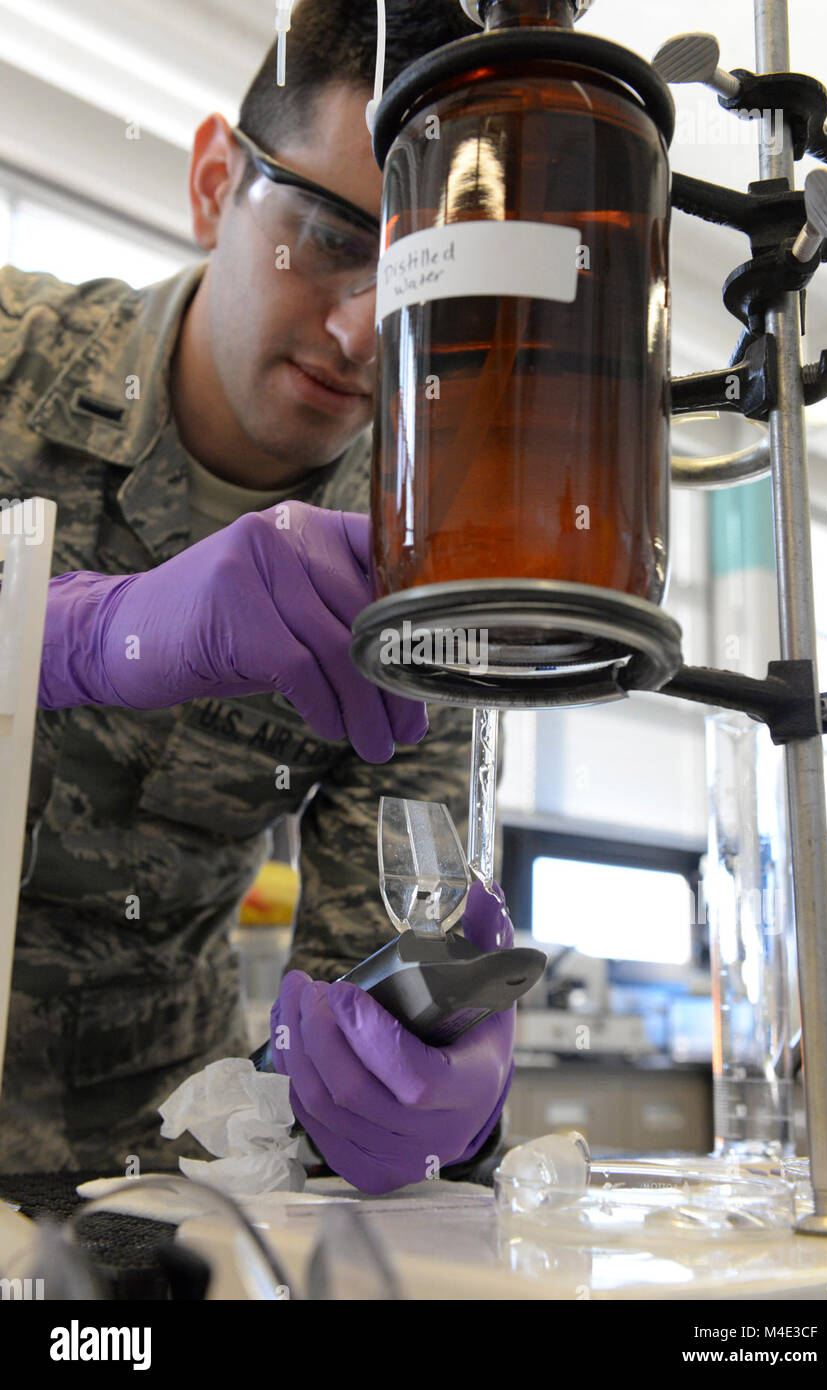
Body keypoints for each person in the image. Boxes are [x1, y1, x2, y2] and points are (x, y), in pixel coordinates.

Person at [0, 0, 517, 1192]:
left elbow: (375, 959)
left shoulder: (413, 579)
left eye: (423, 281)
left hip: (138, 1182)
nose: (363, 331)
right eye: (332, 236)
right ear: (214, 182)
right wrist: (74, 632)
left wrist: (412, 1095)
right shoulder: (15, 359)